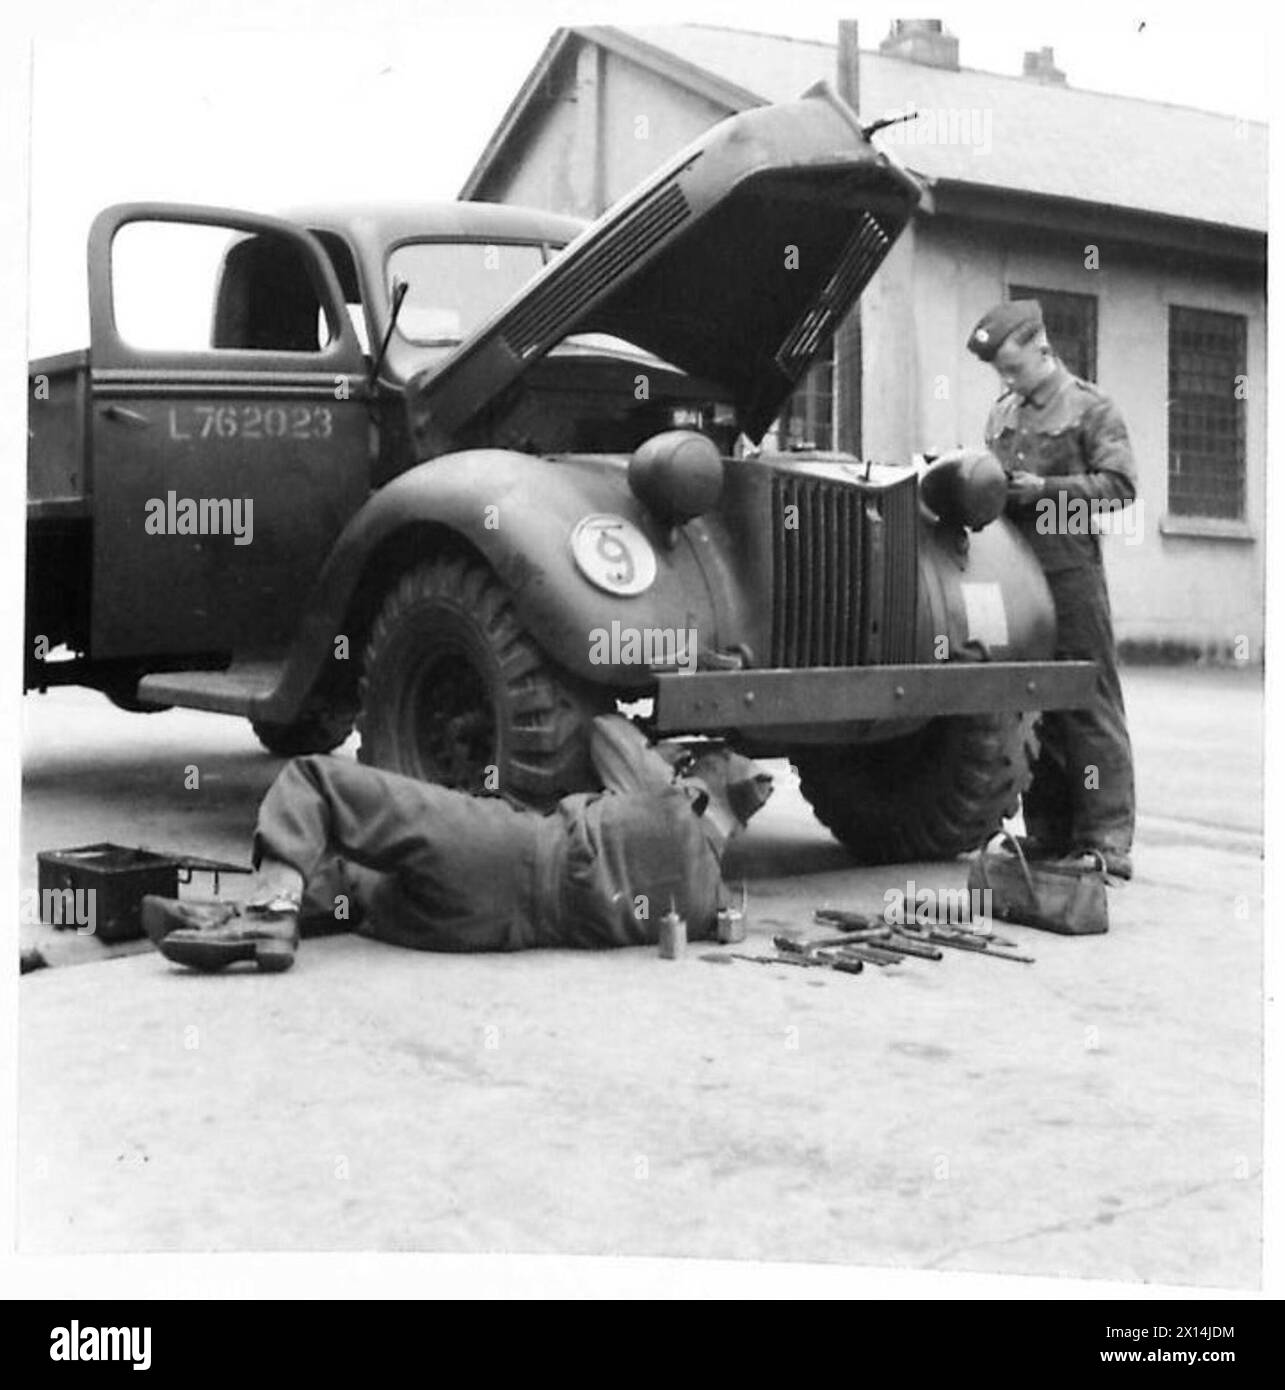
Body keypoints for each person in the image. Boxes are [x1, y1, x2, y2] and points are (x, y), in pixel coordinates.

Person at [141, 715, 774, 972]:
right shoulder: (703, 899)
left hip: (505, 852)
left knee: (315, 781)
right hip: (481, 930)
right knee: (355, 883)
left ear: (704, 783)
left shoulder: (672, 805)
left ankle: (271, 910)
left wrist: (673, 755)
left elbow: (603, 731)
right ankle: (241, 919)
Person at [964, 298, 1136, 880]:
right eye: (1000, 373)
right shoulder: (1002, 413)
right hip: (1014, 572)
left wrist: (1044, 490)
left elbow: (1118, 488)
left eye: (1013, 368)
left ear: (1042, 347)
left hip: (1069, 570)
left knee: (1087, 699)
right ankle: (1049, 832)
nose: (1007, 380)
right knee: (1035, 704)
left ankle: (1106, 839)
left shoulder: (1090, 408)